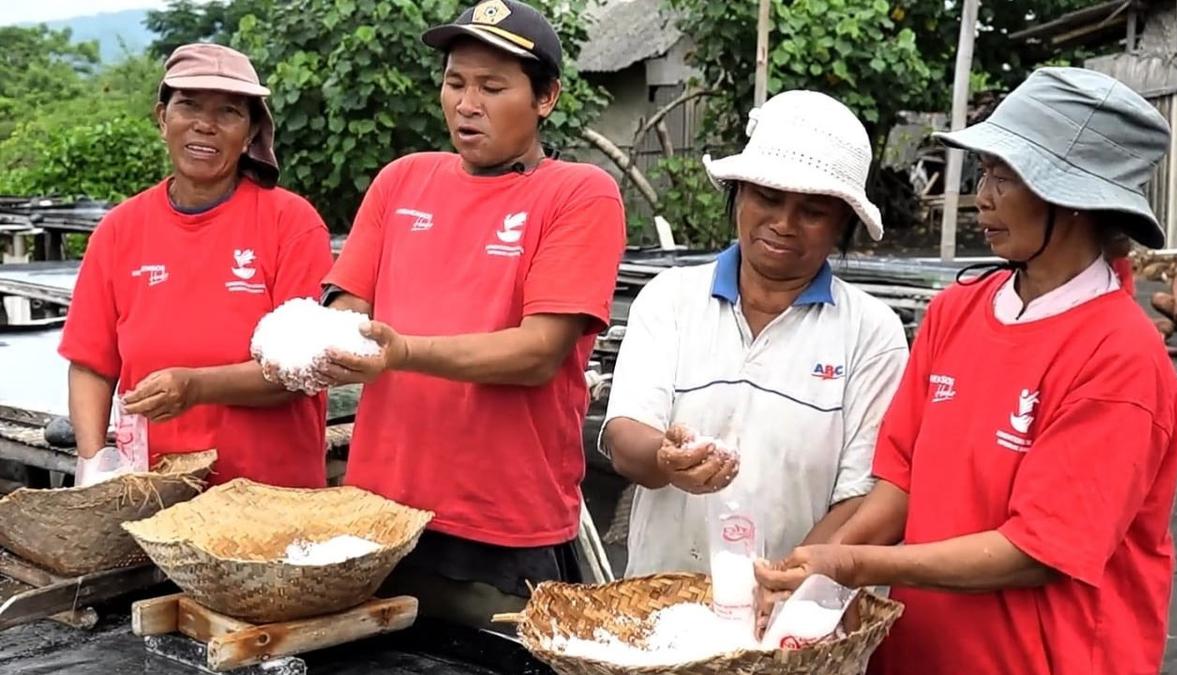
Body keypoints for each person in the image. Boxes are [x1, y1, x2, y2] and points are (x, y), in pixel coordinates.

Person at [754, 67, 1177, 675]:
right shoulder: (957, 311)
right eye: (985, 172)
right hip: (921, 653)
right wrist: (822, 561)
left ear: (1078, 201)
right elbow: (900, 482)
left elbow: (1035, 552)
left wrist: (856, 567)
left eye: (1005, 177)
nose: (982, 195)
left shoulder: (1120, 356)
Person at [310, 0, 626, 629]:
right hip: (378, 519)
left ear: (546, 99)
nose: (466, 103)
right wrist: (325, 340)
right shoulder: (402, 181)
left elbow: (537, 354)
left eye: (492, 86)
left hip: (501, 528)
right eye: (455, 82)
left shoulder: (579, 193)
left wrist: (402, 352)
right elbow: (348, 308)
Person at [600, 91, 908, 577]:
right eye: (767, 197)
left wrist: (785, 580)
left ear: (842, 224)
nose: (784, 224)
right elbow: (624, 439)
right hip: (659, 606)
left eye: (813, 211)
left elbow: (862, 496)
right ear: (739, 193)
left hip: (797, 620)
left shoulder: (872, 333)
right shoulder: (670, 299)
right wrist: (665, 458)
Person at [60, 44, 331, 487]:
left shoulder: (292, 224)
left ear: (249, 133)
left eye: (228, 111)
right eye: (188, 105)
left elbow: (301, 372)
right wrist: (93, 464)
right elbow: (92, 364)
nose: (205, 125)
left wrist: (196, 386)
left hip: (271, 500)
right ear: (163, 118)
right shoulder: (119, 230)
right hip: (154, 499)